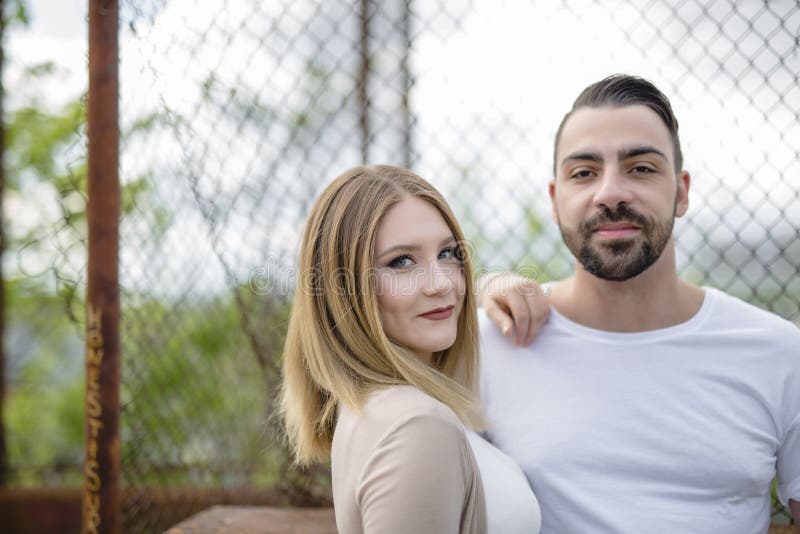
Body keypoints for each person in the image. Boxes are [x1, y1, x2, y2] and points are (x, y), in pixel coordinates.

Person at [479, 74, 800, 533]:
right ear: (555, 200)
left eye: (642, 168)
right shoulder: (491, 343)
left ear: (682, 191)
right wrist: (478, 285)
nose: (610, 193)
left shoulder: (779, 354)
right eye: (583, 172)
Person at [280, 165, 541, 533]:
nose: (441, 283)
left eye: (449, 254)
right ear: (344, 292)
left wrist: (493, 285)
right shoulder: (417, 428)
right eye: (402, 262)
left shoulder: (378, 407)